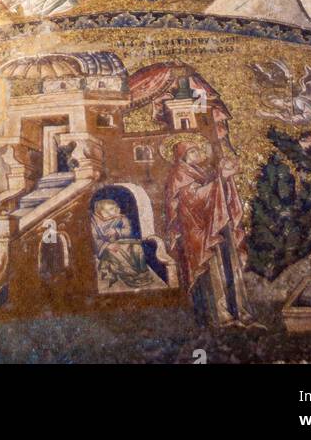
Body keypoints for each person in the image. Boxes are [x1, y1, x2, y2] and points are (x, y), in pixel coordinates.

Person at [164, 137, 254, 326]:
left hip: (212, 226)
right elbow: (192, 198)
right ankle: (220, 315)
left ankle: (238, 311)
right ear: (182, 156)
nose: (198, 154)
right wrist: (220, 179)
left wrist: (224, 179)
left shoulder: (199, 172)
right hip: (197, 233)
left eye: (198, 150)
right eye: (193, 151)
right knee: (212, 272)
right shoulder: (179, 174)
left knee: (227, 266)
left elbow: (211, 193)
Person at [90, 198, 154, 291]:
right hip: (105, 247)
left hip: (124, 243)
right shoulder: (95, 222)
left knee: (137, 248)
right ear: (100, 211)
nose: (110, 212)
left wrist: (117, 231)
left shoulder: (121, 218)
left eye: (112, 209)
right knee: (116, 252)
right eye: (106, 210)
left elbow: (129, 231)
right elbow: (93, 239)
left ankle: (143, 273)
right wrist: (107, 245)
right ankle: (131, 276)